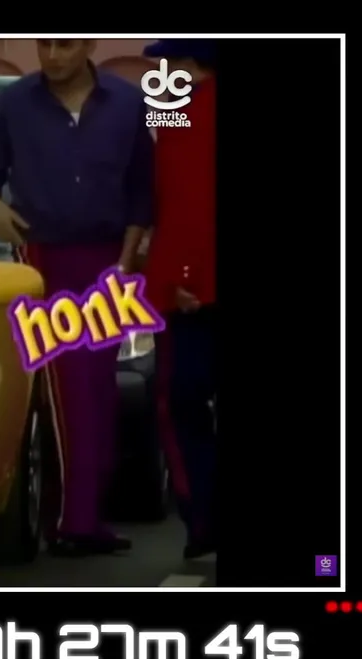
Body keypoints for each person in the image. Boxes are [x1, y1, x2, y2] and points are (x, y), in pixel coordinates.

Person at [0, 39, 155, 557]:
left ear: (88, 44)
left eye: (64, 44)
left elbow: (143, 191)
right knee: (58, 391)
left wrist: (129, 257)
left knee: (97, 392)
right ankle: (67, 523)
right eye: (43, 43)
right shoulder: (14, 103)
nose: (51, 55)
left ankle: (85, 518)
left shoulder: (128, 104)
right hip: (40, 262)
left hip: (108, 263)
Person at [141, 39, 217, 560]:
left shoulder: (185, 112)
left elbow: (188, 196)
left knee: (183, 405)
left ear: (192, 64)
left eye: (170, 62)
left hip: (197, 295)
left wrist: (184, 276)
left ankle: (205, 520)